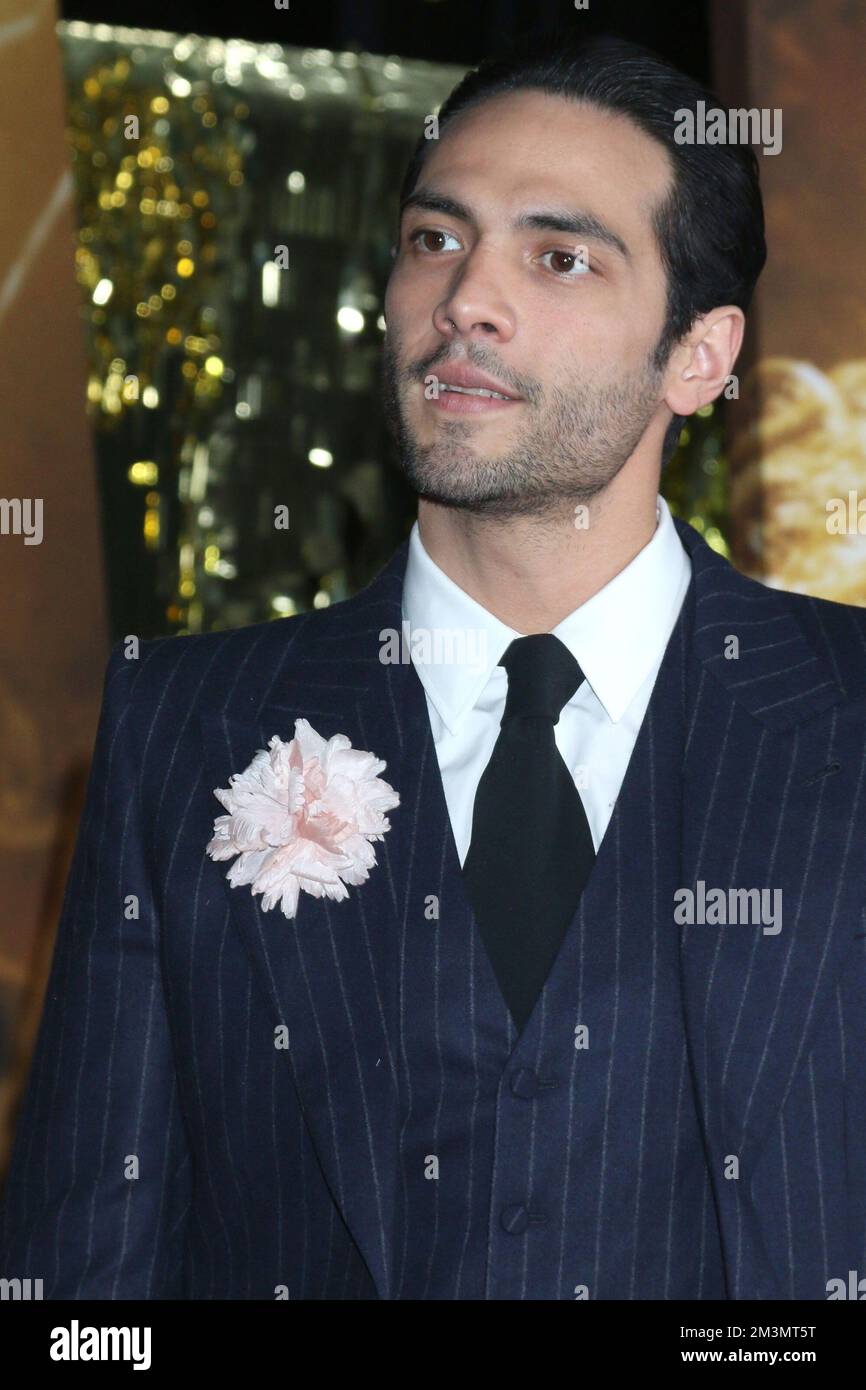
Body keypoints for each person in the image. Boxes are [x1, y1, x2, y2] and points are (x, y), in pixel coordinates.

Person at [3, 31, 865, 1302]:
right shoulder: (185, 726)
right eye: (434, 238)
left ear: (700, 355)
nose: (467, 298)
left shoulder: (841, 710)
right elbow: (84, 1289)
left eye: (557, 255)